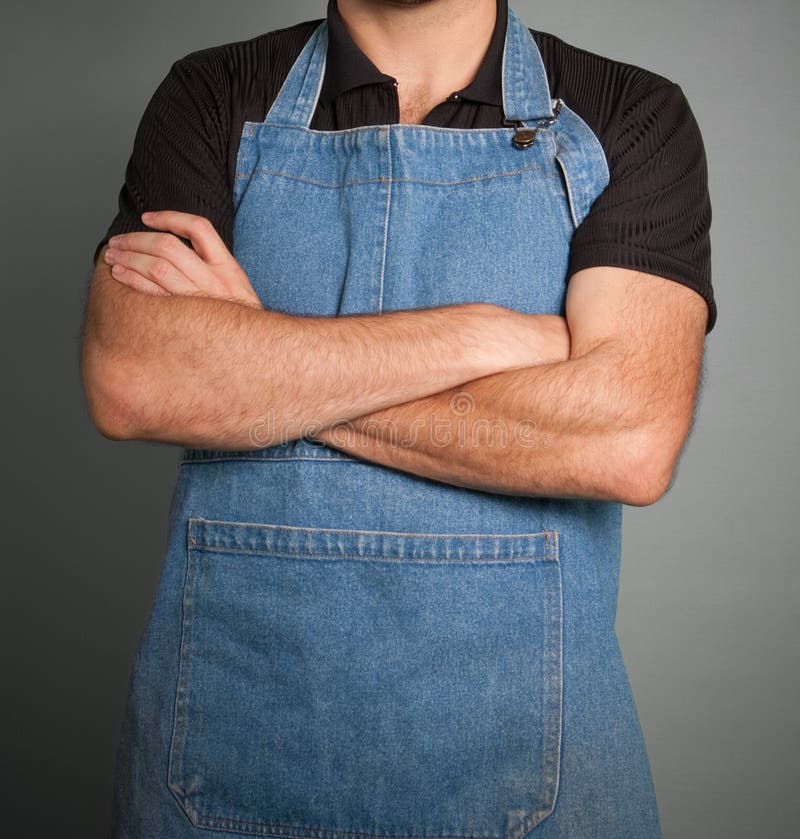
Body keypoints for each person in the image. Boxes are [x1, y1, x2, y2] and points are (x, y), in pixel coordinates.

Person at [81, 1, 715, 836]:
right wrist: (486, 334)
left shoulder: (629, 113)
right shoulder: (212, 94)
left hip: (532, 775)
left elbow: (629, 439)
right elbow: (136, 379)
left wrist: (264, 371)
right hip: (229, 758)